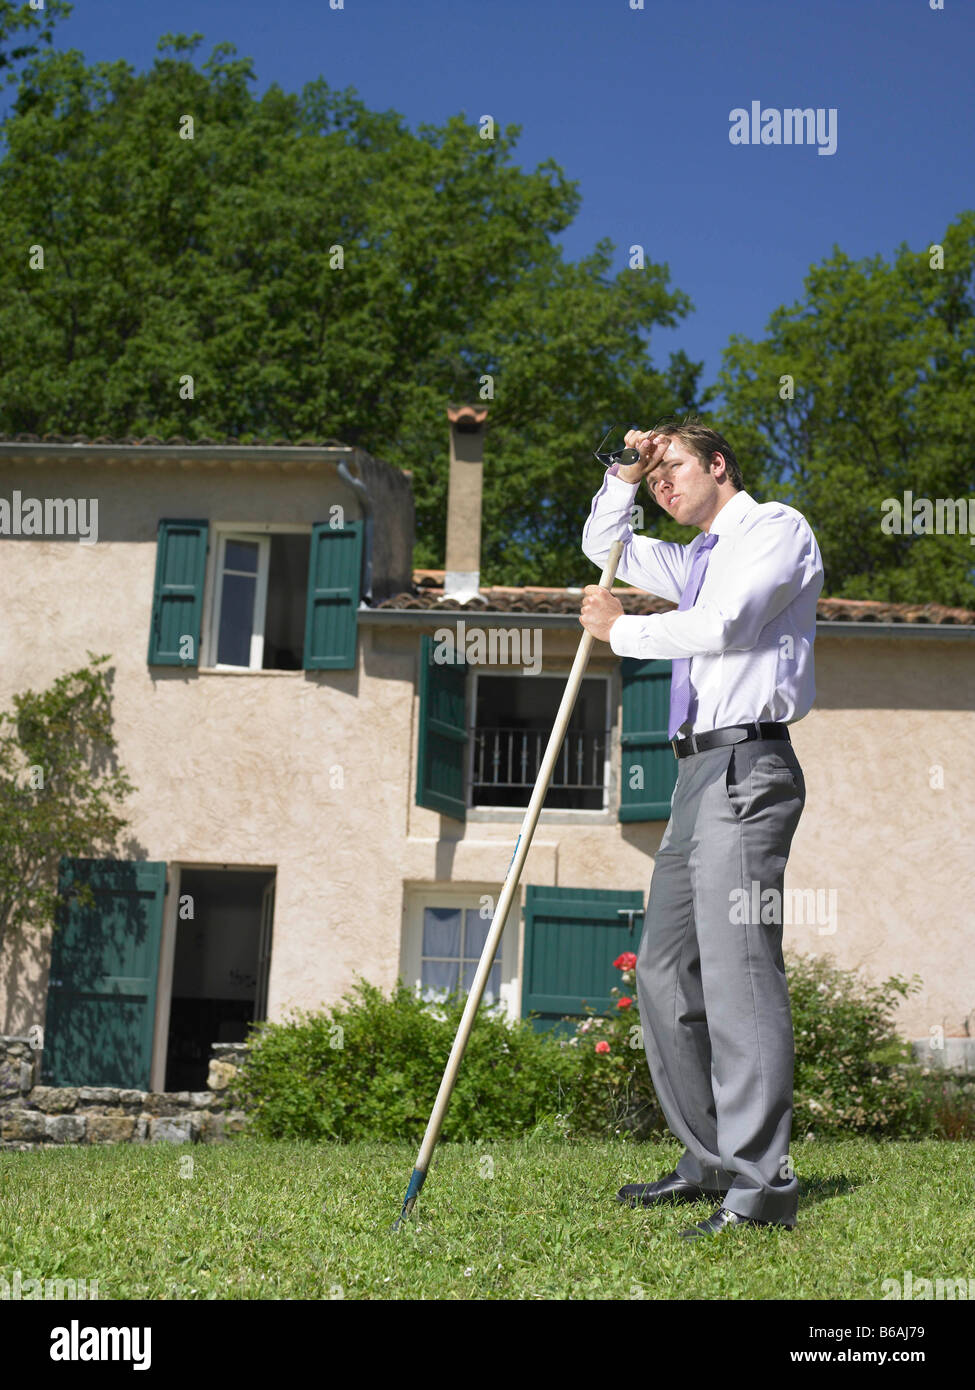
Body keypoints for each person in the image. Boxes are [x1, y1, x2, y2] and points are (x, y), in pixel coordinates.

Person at [578, 418, 824, 1240]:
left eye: (674, 467)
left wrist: (622, 632)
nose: (663, 484)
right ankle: (709, 1161)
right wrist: (624, 469)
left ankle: (760, 1191)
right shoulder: (690, 559)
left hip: (747, 768)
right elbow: (600, 545)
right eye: (656, 477)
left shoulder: (773, 530)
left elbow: (725, 626)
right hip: (692, 774)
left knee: (736, 969)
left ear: (719, 465)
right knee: (662, 971)